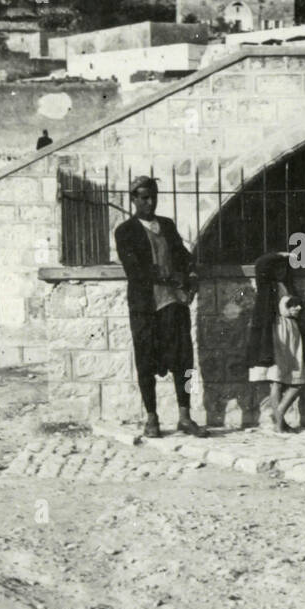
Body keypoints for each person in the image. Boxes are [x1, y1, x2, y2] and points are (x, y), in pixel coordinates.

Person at [113, 176, 208, 439]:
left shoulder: (166, 225)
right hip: (145, 306)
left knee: (184, 360)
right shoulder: (125, 231)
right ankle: (152, 418)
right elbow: (135, 269)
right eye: (143, 197)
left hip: (173, 303)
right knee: (146, 360)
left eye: (153, 196)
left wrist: (190, 273)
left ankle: (185, 416)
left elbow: (182, 254)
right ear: (133, 199)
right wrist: (170, 277)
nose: (149, 202)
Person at [246, 251, 305, 433]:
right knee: (277, 379)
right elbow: (260, 263)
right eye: (278, 266)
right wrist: (282, 254)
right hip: (276, 333)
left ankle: (278, 414)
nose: (282, 270)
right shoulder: (267, 285)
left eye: (284, 266)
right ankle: (280, 423)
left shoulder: (288, 286)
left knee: (297, 380)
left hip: (292, 333)